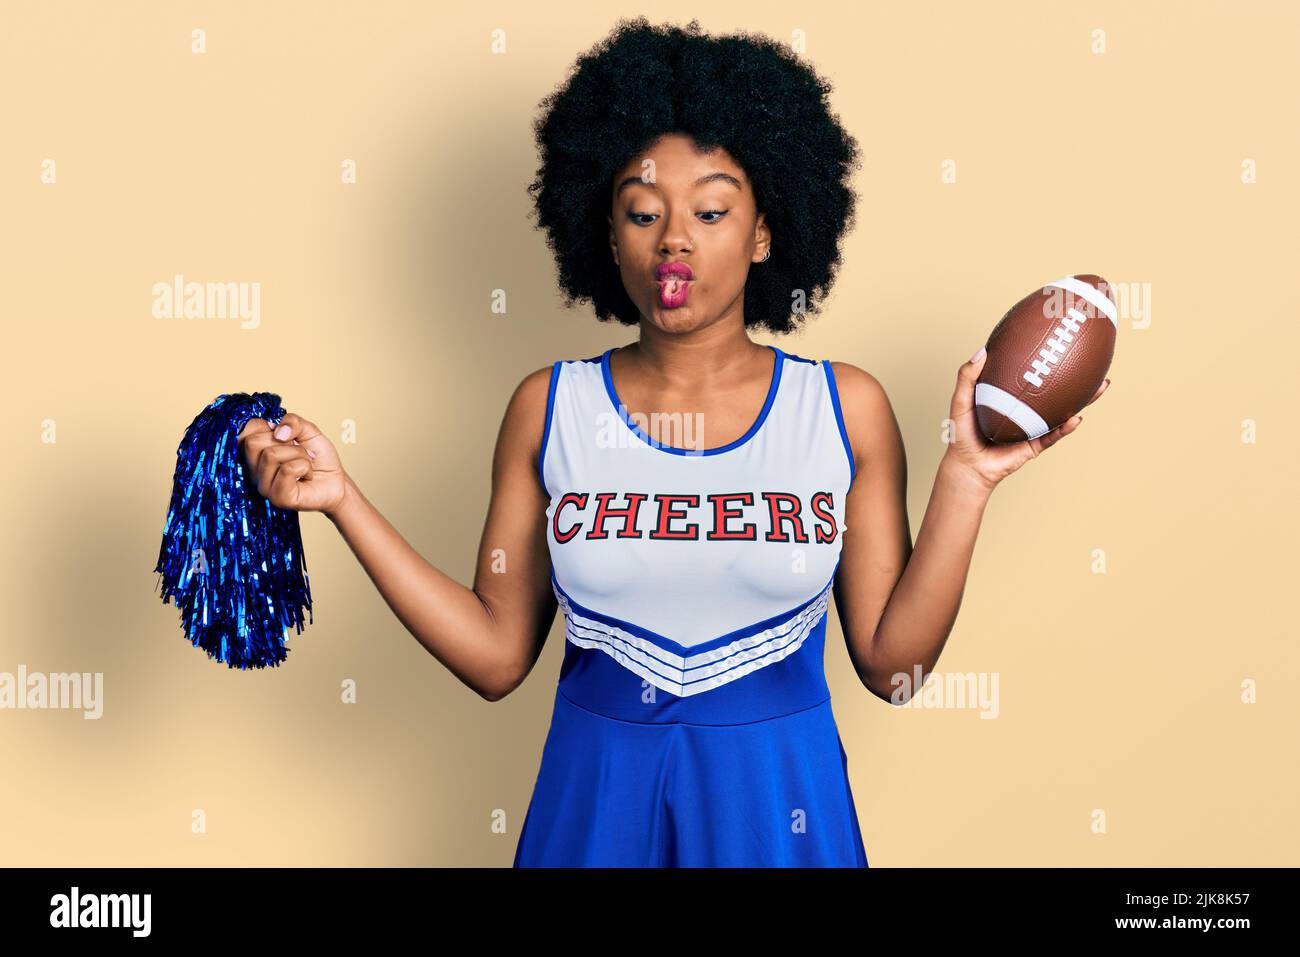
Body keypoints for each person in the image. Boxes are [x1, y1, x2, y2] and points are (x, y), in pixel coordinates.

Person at [237, 18, 1108, 867]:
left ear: (767, 231)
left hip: (780, 805)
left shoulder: (845, 408)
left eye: (714, 210)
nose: (675, 239)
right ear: (605, 237)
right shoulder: (550, 407)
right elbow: (499, 657)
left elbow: (894, 667)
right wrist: (344, 502)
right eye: (643, 212)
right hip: (595, 800)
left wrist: (967, 479)